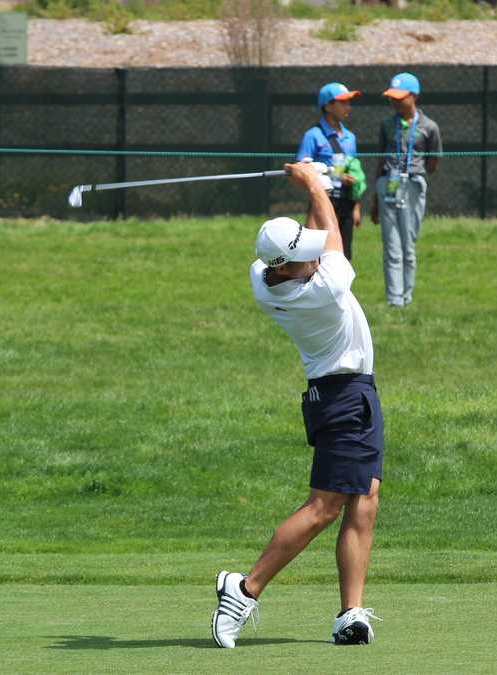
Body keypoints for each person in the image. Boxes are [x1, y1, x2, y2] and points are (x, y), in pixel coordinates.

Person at [211, 161, 383, 648]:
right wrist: (312, 182)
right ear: (286, 267)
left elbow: (314, 238)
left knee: (365, 498)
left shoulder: (264, 277)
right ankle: (244, 589)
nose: (314, 255)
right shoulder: (324, 288)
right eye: (303, 255)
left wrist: (314, 185)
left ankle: (350, 614)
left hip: (348, 395)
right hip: (345, 397)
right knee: (325, 507)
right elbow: (332, 236)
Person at [370, 72, 441, 307]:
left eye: (400, 97)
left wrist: (414, 172)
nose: (395, 102)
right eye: (392, 98)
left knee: (408, 245)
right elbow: (380, 159)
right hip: (387, 184)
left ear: (414, 96)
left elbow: (433, 163)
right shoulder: (386, 125)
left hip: (413, 184)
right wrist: (375, 197)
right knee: (391, 245)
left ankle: (407, 297)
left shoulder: (429, 127)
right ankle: (394, 300)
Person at [297, 81, 368, 261]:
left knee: (344, 254)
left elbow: (355, 171)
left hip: (346, 201)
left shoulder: (350, 137)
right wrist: (334, 176)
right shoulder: (313, 135)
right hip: (323, 199)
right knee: (316, 251)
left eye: (349, 102)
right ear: (328, 106)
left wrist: (356, 206)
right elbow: (301, 170)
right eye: (343, 102)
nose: (348, 107)